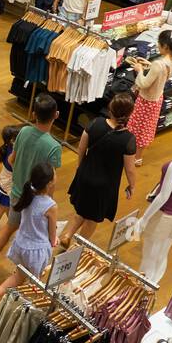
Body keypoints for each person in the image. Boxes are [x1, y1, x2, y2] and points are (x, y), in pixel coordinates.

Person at [0, 93, 62, 277]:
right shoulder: (54, 146)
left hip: (17, 192)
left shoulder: (24, 132)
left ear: (33, 113)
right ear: (56, 115)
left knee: (10, 226)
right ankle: (27, 271)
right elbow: (51, 180)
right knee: (34, 235)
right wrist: (49, 202)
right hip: (38, 200)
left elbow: (11, 160)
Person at [59, 93, 138, 248]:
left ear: (111, 108)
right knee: (92, 219)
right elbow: (130, 169)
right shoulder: (128, 139)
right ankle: (77, 247)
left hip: (85, 175)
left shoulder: (95, 123)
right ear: (129, 114)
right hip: (105, 184)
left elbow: (81, 147)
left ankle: (67, 235)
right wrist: (132, 185)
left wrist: (80, 166)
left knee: (81, 210)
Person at [0, 163, 57, 316]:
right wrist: (55, 240)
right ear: (49, 183)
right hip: (37, 251)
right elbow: (52, 237)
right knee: (33, 284)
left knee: (17, 277)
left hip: (21, 244)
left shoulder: (27, 195)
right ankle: (22, 313)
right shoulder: (50, 206)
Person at [128, 29, 172, 163]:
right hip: (157, 98)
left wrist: (139, 70)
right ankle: (138, 157)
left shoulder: (158, 64)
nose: (157, 46)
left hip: (146, 99)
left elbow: (143, 83)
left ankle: (132, 155)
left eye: (159, 44)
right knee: (146, 128)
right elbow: (163, 74)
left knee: (136, 127)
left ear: (165, 46)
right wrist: (149, 66)